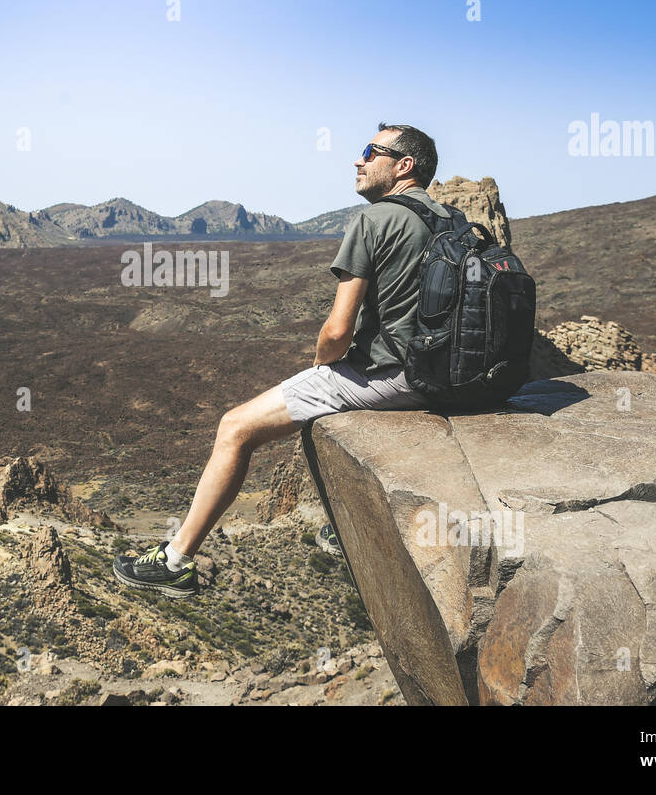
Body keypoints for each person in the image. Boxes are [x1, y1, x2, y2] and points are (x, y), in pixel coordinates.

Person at [113, 123, 452, 597]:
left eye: (370, 151)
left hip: (395, 375)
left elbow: (337, 331)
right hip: (447, 375)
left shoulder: (376, 221)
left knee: (235, 427)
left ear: (403, 165)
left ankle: (175, 560)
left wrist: (321, 365)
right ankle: (348, 528)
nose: (358, 160)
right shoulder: (450, 219)